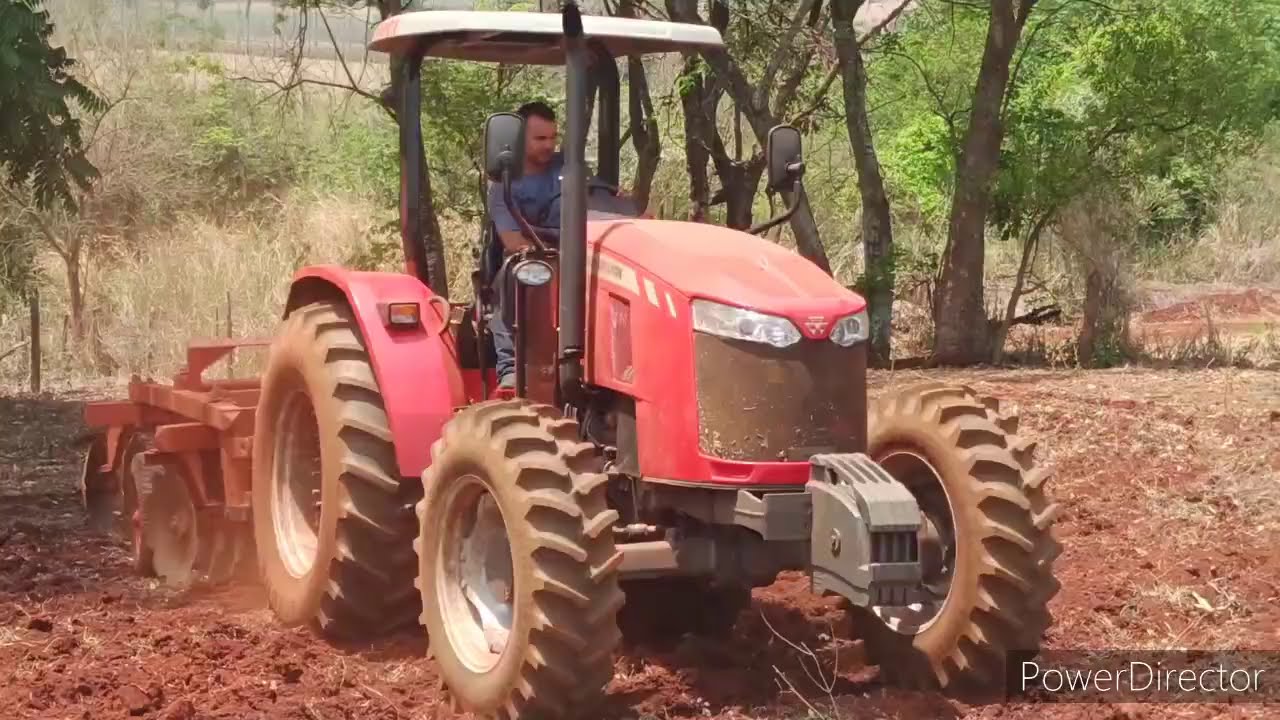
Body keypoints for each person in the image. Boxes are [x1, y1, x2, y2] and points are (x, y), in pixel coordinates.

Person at [486, 101, 563, 389]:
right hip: (535, 257)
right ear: (519, 140)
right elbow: (513, 241)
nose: (549, 145)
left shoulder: (568, 168)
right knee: (519, 270)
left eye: (553, 137)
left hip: (579, 252)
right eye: (540, 138)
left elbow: (599, 201)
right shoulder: (504, 185)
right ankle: (510, 366)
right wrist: (551, 251)